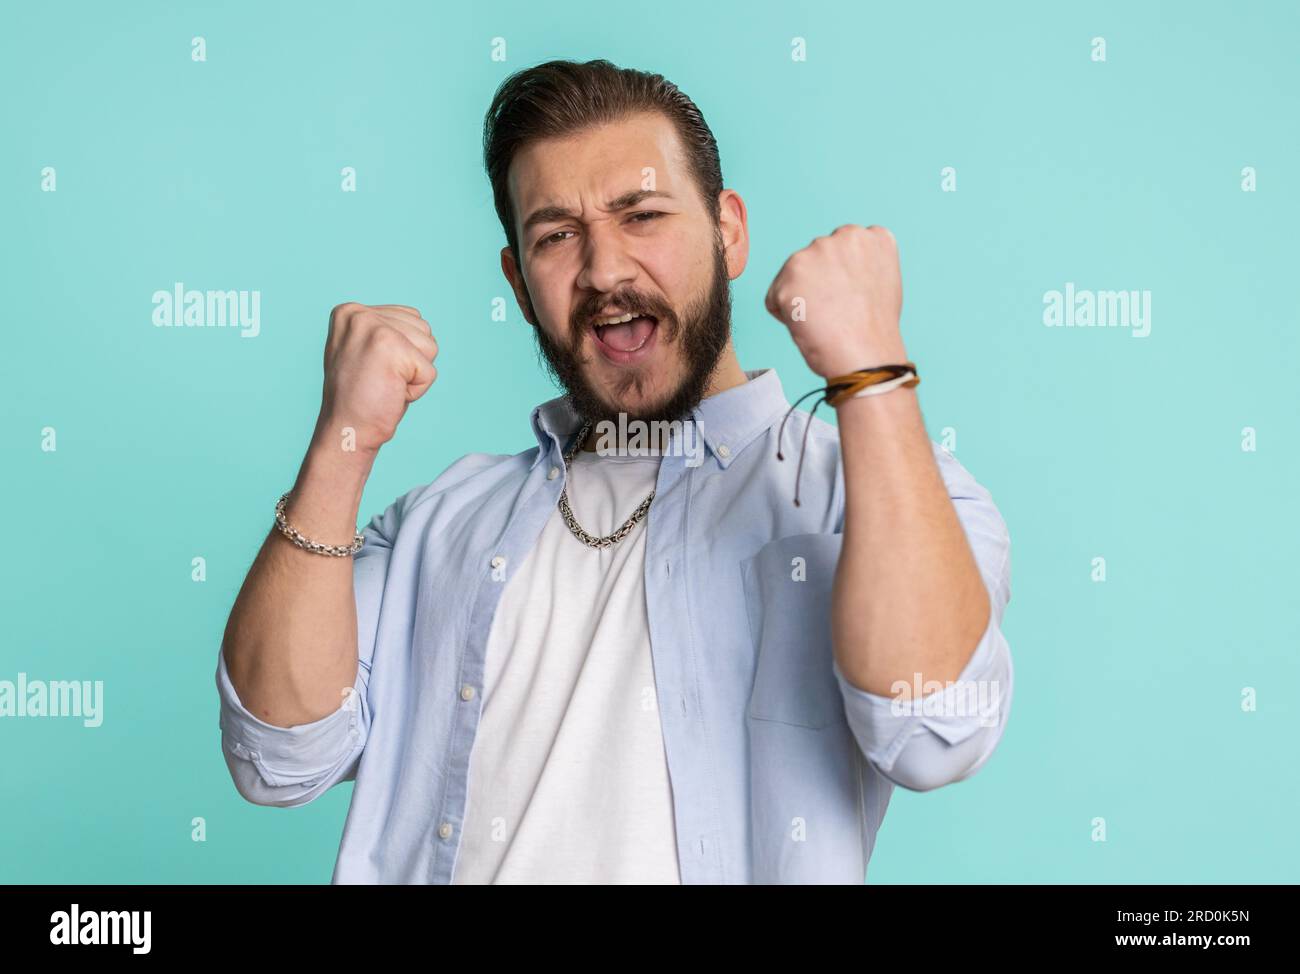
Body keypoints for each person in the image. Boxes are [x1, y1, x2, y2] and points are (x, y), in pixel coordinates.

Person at [216, 59, 1014, 884]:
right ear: (520, 286)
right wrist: (342, 440)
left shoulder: (881, 489)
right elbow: (278, 754)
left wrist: (872, 374)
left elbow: (932, 731)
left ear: (727, 230)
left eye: (642, 215)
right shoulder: (437, 522)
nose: (603, 270)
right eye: (556, 235)